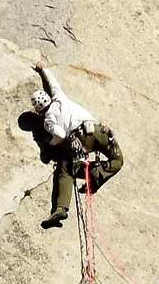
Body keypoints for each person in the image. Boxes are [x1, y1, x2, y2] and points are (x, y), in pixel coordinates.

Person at [27, 60, 123, 229]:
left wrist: (51, 144)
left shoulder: (48, 121)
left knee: (65, 170)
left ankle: (60, 208)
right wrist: (43, 70)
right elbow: (53, 84)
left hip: (78, 142)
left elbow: (61, 134)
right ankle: (96, 174)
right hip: (97, 132)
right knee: (117, 160)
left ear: (38, 110)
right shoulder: (60, 98)